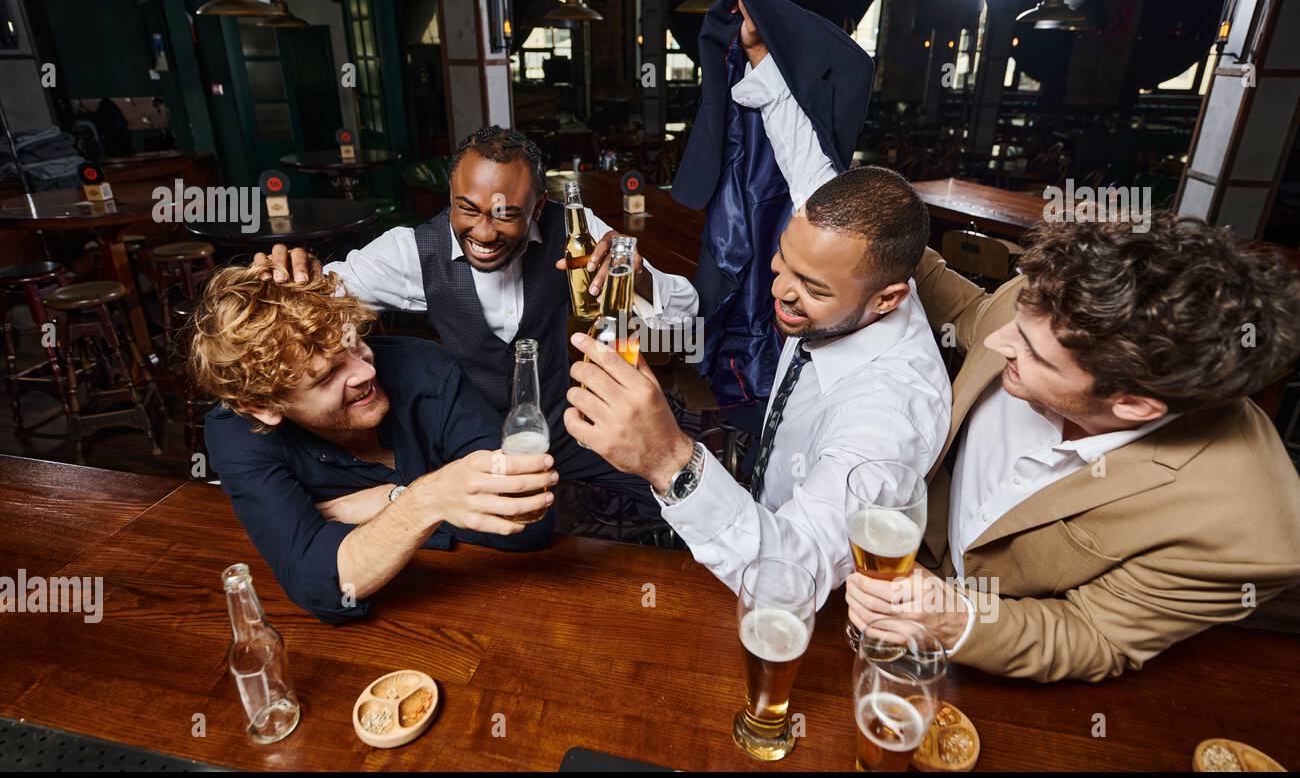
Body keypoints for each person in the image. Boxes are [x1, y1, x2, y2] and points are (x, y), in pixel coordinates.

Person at [845, 213, 1300, 681]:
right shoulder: (1039, 311)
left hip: (988, 668)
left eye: (1032, 354)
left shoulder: (1249, 536)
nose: (1000, 341)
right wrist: (869, 222)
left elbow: (1093, 635)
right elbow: (972, 314)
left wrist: (953, 620)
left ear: (1133, 404)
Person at [253, 126, 698, 516]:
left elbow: (685, 318)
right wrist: (287, 274)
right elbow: (313, 295)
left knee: (678, 497)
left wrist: (639, 277)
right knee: (496, 552)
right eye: (467, 210)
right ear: (450, 198)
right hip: (469, 443)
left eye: (506, 214)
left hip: (569, 426)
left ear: (538, 206)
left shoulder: (577, 231)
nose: (483, 233)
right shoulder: (411, 251)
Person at [566, 160, 951, 605]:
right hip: (759, 504)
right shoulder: (849, 275)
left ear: (888, 299)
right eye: (783, 259)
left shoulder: (887, 419)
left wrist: (670, 460)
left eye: (813, 287)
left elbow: (792, 580)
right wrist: (644, 282)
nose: (780, 290)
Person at [191, 265, 557, 624]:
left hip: (505, 605)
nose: (366, 372)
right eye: (329, 374)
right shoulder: (238, 432)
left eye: (356, 343)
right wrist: (425, 501)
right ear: (264, 407)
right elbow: (319, 586)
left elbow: (528, 521)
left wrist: (395, 500)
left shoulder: (424, 370)